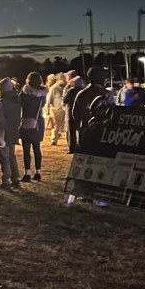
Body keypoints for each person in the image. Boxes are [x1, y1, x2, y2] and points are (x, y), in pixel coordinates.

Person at [65, 67, 113, 207]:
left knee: (83, 164)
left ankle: (78, 194)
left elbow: (75, 115)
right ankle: (98, 196)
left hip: (85, 133)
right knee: (101, 165)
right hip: (101, 135)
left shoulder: (82, 93)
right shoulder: (106, 94)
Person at [19, 72, 48, 182]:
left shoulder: (24, 93)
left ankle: (27, 172)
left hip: (26, 119)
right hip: (38, 121)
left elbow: (20, 104)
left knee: (26, 149)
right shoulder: (43, 93)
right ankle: (38, 172)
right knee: (37, 148)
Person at [0, 77, 22, 191]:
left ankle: (6, 178)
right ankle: (15, 177)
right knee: (11, 155)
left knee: (4, 156)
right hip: (13, 130)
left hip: (3, 132)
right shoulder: (16, 100)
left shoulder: (2, 103)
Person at [46, 71, 68, 146]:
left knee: (66, 126)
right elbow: (48, 99)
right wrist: (48, 110)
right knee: (56, 126)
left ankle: (67, 140)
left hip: (65, 109)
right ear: (60, 79)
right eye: (64, 78)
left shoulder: (67, 87)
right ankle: (54, 139)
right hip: (57, 109)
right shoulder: (54, 88)